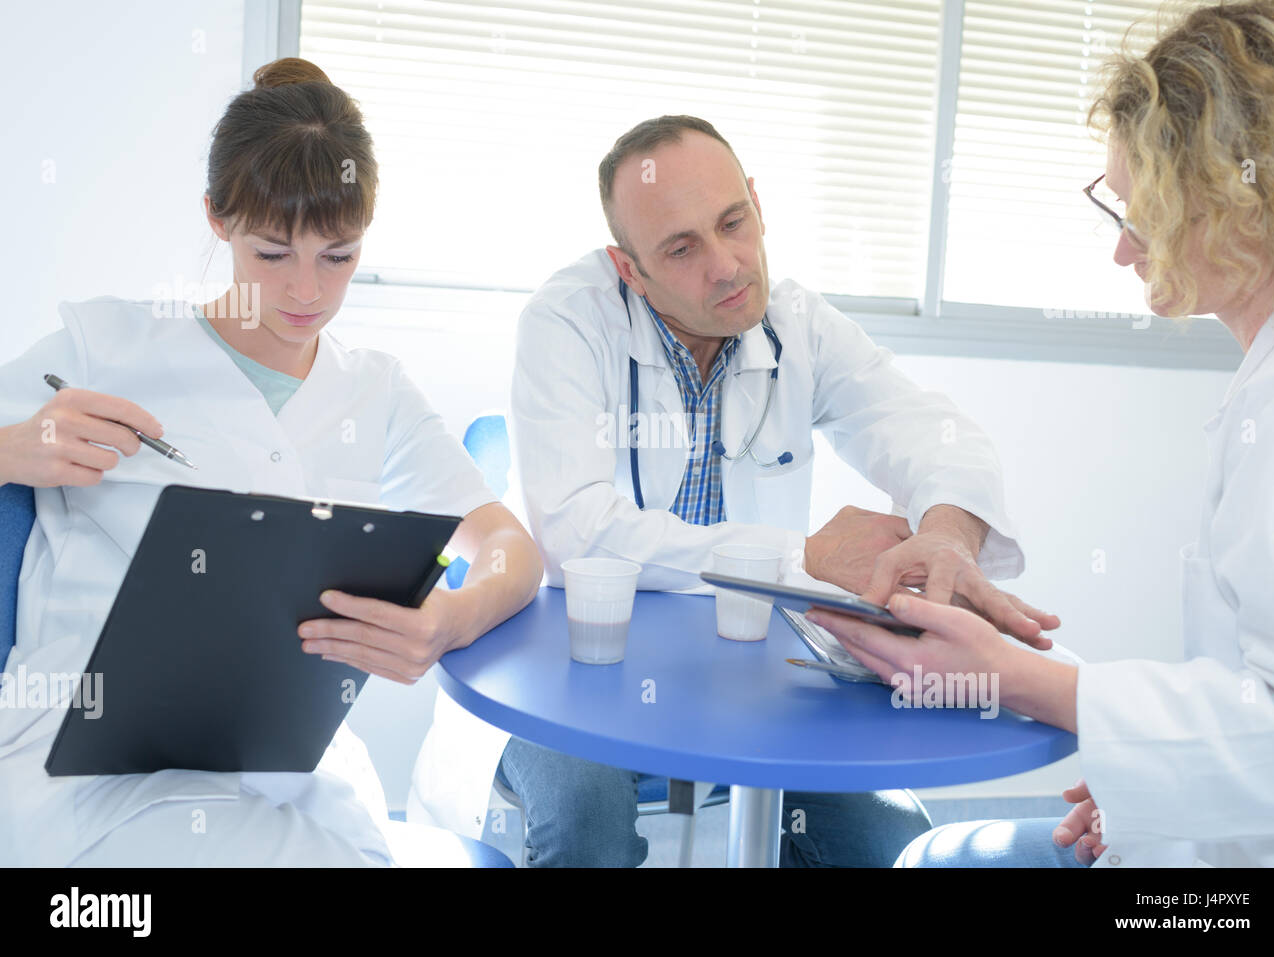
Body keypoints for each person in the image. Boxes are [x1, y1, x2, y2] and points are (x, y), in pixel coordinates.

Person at [411, 115, 1059, 866]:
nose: (726, 266)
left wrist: (947, 533)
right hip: (572, 659)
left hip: (749, 664)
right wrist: (807, 557)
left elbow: (929, 431)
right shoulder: (568, 322)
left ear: (756, 202)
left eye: (733, 222)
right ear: (630, 268)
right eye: (681, 249)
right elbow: (580, 532)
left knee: (885, 841)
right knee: (585, 822)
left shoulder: (797, 324)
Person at [0, 57, 542, 866]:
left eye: (339, 256)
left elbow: (511, 548)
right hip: (91, 771)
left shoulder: (374, 391)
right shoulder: (103, 344)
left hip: (284, 763)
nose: (306, 292)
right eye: (272, 252)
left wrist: (447, 621)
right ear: (217, 218)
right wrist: (12, 445)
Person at [809, 0, 1274, 869]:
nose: (1124, 251)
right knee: (932, 857)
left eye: (1142, 209)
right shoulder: (1269, 371)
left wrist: (1015, 677)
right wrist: (1153, 788)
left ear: (1241, 195)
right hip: (1224, 833)